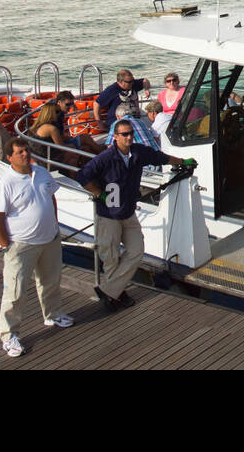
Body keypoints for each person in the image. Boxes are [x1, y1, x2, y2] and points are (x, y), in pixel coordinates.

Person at [76, 119, 194, 312]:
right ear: (115, 136)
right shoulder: (105, 158)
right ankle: (115, 296)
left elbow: (160, 158)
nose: (129, 137)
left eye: (130, 133)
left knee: (137, 250)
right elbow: (83, 176)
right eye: (124, 134)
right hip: (108, 215)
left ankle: (108, 291)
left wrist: (182, 162)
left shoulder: (138, 152)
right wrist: (100, 193)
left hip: (128, 212)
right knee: (111, 258)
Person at [0, 137, 73, 357]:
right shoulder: (5, 184)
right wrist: (5, 244)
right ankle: (9, 336)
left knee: (51, 281)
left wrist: (54, 225)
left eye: (25, 150)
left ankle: (53, 315)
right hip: (22, 245)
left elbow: (51, 198)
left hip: (50, 239)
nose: (25, 154)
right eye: (19, 152)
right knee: (15, 291)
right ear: (9, 158)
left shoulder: (42, 173)